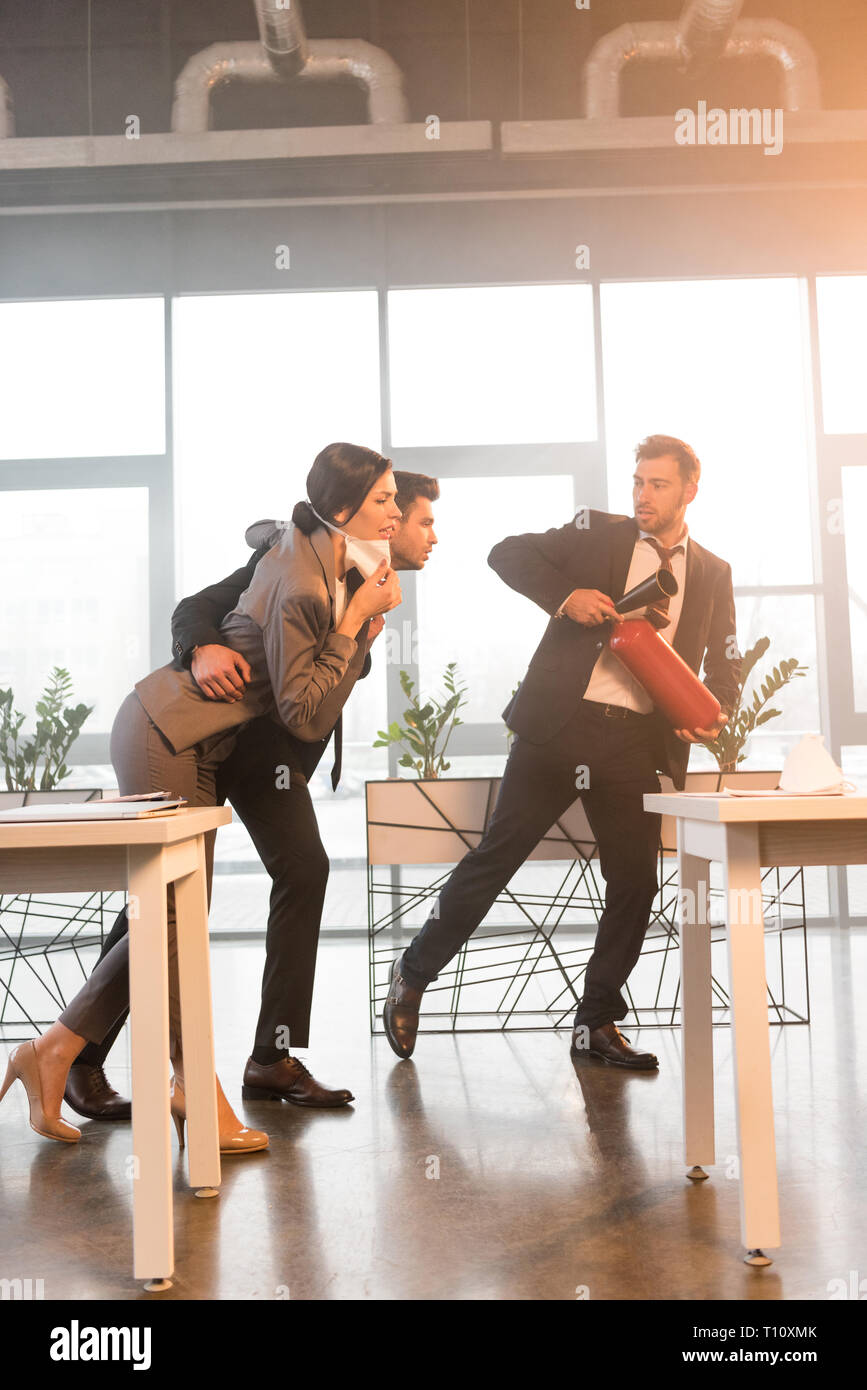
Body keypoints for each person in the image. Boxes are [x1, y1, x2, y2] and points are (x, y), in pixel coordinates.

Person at [1, 443, 402, 1146]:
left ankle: (58, 1051)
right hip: (170, 730)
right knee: (175, 914)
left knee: (172, 912)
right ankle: (191, 1091)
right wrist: (353, 627)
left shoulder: (330, 567)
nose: (398, 514)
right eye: (385, 500)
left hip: (204, 741)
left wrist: (359, 620)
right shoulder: (302, 580)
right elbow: (305, 711)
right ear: (343, 511)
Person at [384, 435, 740, 1070]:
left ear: (691, 488)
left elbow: (725, 664)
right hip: (559, 725)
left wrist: (707, 713)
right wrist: (565, 597)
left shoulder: (712, 573)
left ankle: (595, 1023)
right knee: (498, 858)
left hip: (635, 742)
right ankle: (413, 973)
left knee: (635, 882)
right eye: (637, 481)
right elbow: (506, 553)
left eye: (658, 484)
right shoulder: (598, 535)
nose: (642, 494)